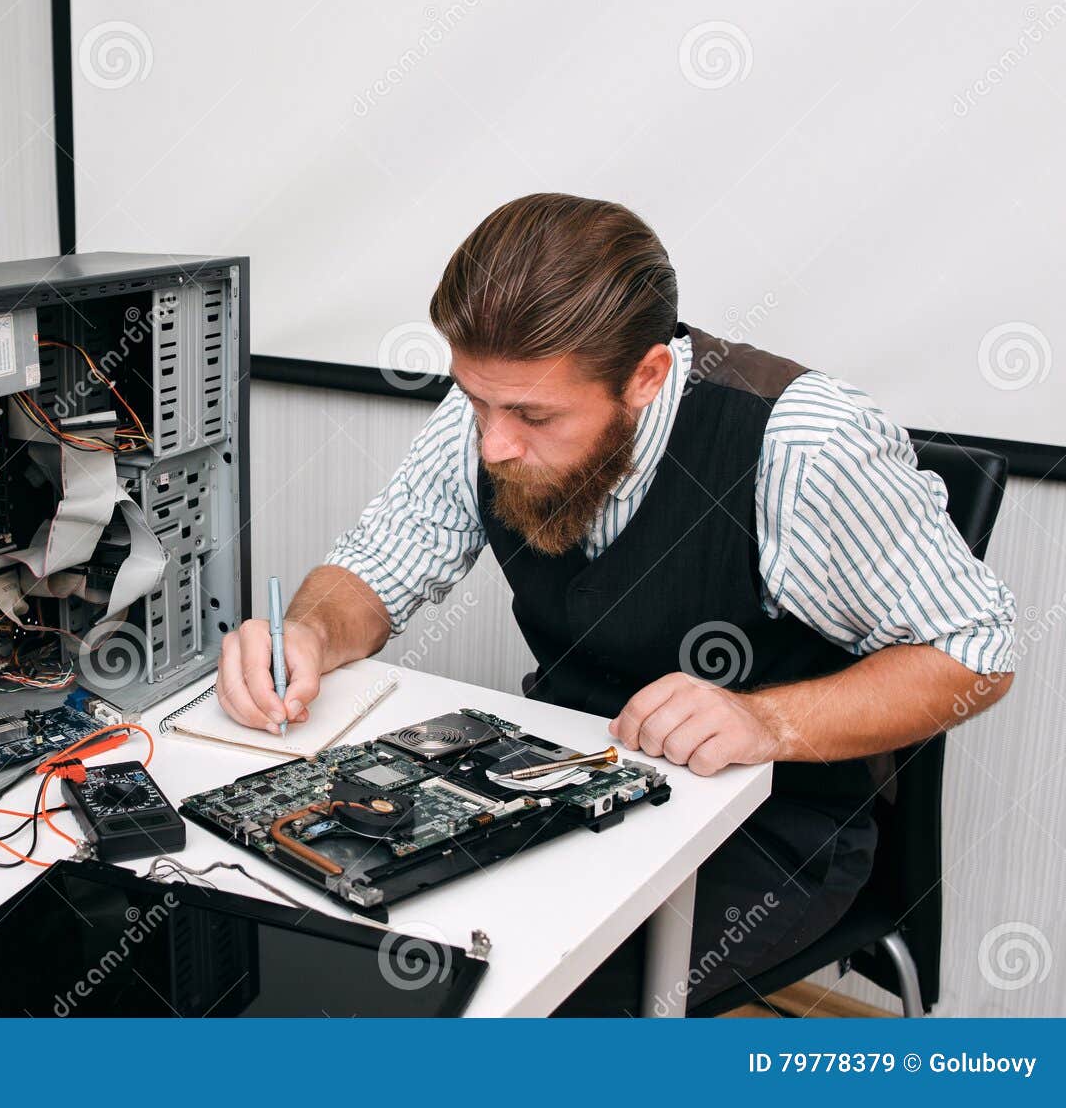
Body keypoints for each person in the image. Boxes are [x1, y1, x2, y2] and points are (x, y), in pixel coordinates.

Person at [216, 192, 1016, 1013]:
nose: (493, 442)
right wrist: (310, 630)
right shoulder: (495, 403)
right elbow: (375, 569)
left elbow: (978, 651)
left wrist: (765, 721)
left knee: (520, 1007)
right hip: (564, 776)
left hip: (766, 823)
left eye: (532, 415)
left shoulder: (802, 443)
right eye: (477, 400)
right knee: (338, 936)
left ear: (646, 375)